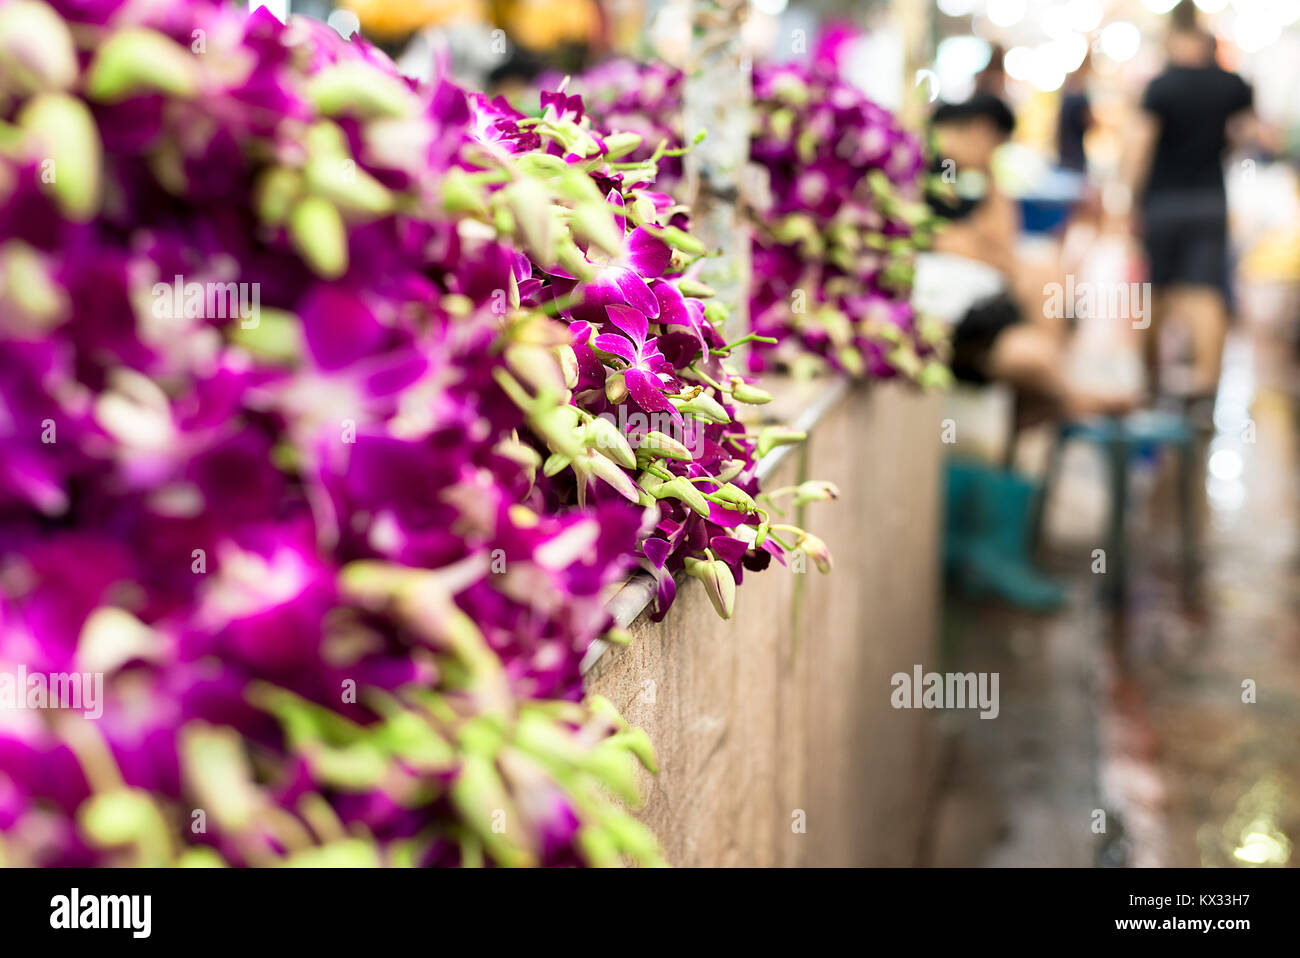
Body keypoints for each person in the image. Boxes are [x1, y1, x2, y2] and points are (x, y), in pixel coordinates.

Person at [919, 94, 1132, 418]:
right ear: (981, 131)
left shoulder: (966, 178)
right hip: (960, 320)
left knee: (1042, 277)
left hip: (984, 313)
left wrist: (990, 176)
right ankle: (1073, 400)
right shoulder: (931, 172)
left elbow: (1001, 241)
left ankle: (1067, 395)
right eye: (996, 145)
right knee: (1036, 328)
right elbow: (960, 244)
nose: (994, 155)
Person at [1121, 0, 1254, 399]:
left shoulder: (1159, 87)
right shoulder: (1232, 85)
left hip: (1162, 202)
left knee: (1156, 291)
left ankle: (1148, 381)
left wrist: (1128, 200)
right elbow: (1244, 136)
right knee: (1204, 292)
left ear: (1172, 37)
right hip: (1210, 200)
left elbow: (1140, 147)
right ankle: (1206, 384)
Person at [1056, 54, 1093, 173]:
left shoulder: (1066, 92)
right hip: (1075, 158)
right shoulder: (1079, 95)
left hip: (1064, 154)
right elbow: (1090, 122)